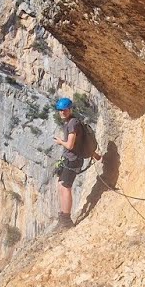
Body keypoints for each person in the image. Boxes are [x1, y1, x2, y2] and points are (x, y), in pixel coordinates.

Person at [52, 97, 84, 228]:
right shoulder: (69, 122)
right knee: (60, 185)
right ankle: (63, 214)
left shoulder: (72, 124)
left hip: (73, 160)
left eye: (64, 110)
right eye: (60, 110)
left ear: (70, 109)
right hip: (68, 158)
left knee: (66, 187)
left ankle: (66, 219)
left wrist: (60, 142)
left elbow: (70, 145)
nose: (62, 113)